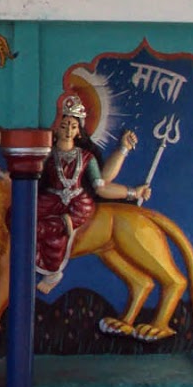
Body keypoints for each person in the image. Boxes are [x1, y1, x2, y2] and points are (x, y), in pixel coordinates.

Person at [36, 93, 145, 293]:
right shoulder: (47, 155)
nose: (68, 130)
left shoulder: (86, 157)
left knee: (51, 229)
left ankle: (53, 271)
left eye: (73, 126)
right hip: (51, 199)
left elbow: (101, 186)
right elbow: (27, 175)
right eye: (64, 125)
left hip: (77, 202)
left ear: (79, 131)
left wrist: (132, 192)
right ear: (55, 129)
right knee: (21, 218)